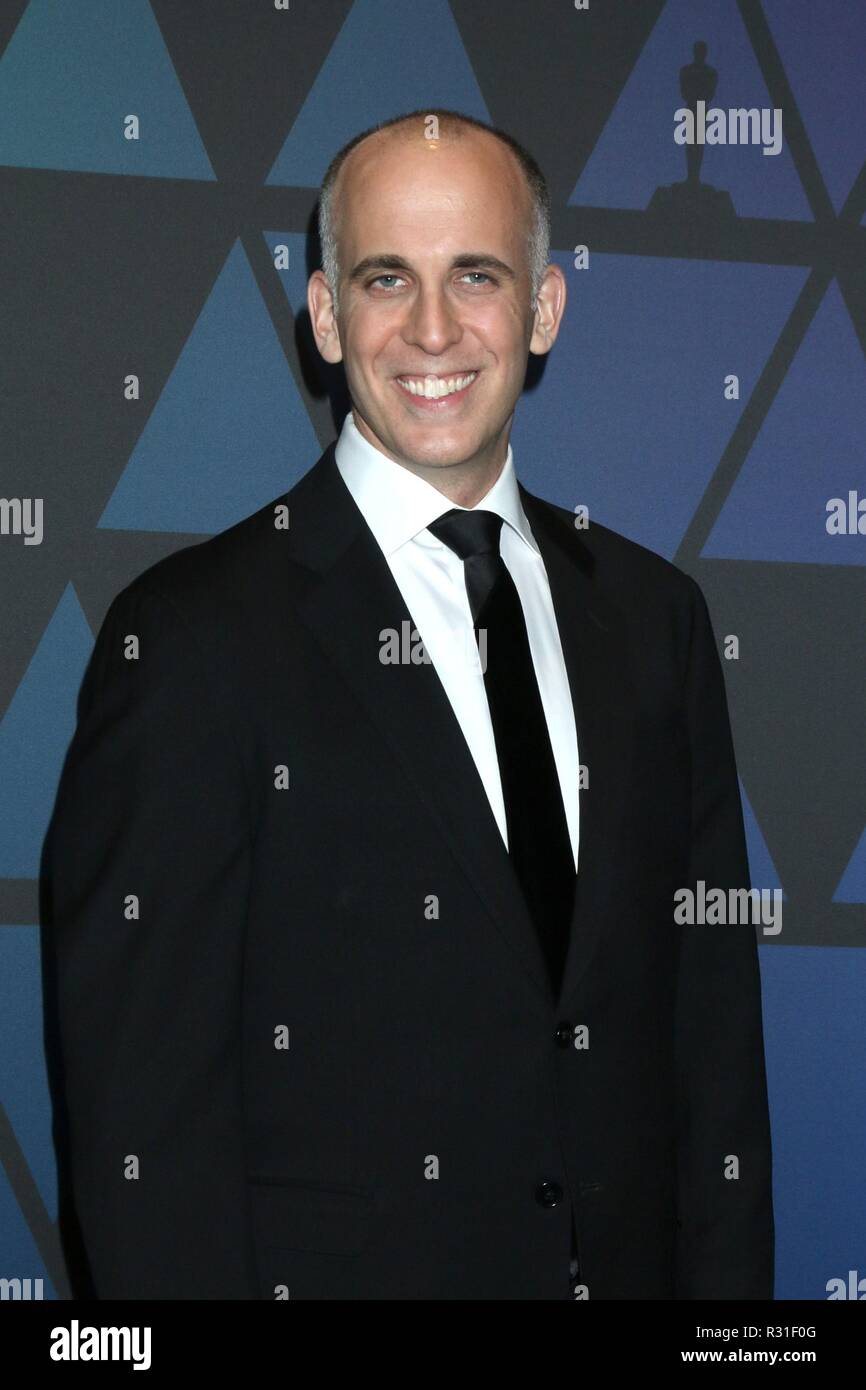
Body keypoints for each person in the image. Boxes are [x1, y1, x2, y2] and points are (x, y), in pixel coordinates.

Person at [44, 108, 773, 1300]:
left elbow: (712, 1054)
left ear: (541, 309)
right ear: (327, 317)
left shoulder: (655, 620)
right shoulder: (187, 638)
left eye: (474, 276)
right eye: (388, 278)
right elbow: (144, 1128)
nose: (432, 330)